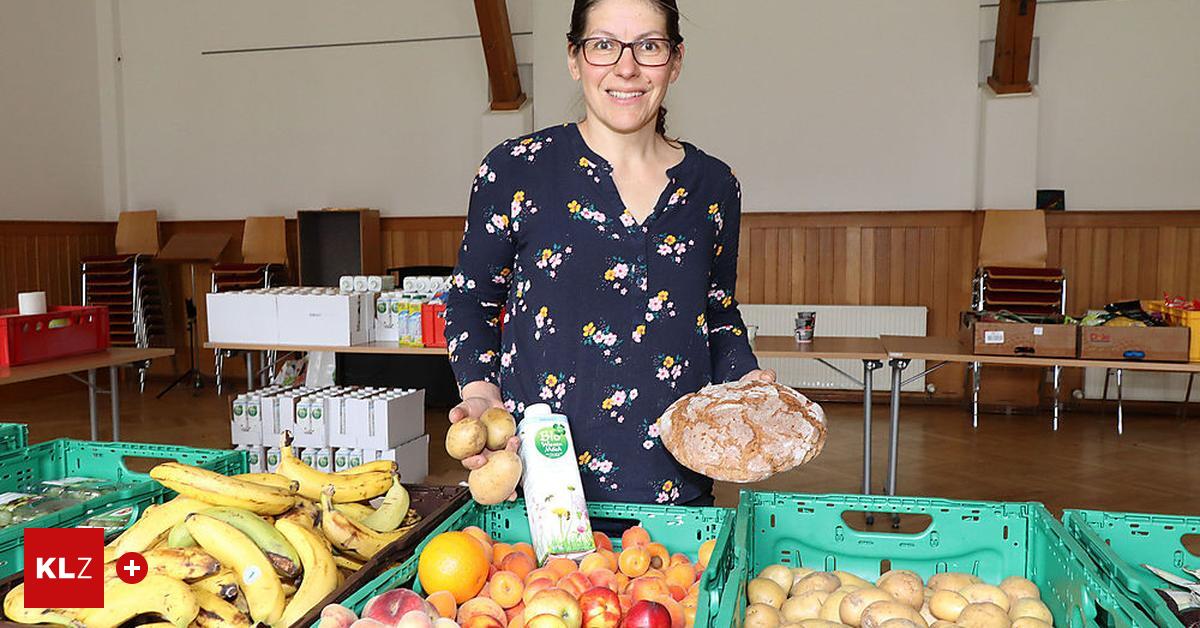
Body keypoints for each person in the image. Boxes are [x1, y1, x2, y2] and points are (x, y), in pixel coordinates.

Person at [445, 0, 774, 507]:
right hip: (539, 485)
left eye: (649, 46)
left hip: (675, 489)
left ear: (676, 60)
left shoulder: (715, 186)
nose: (627, 67)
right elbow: (471, 301)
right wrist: (481, 392)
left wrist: (747, 383)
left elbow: (716, 312)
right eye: (603, 45)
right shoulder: (515, 170)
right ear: (574, 59)